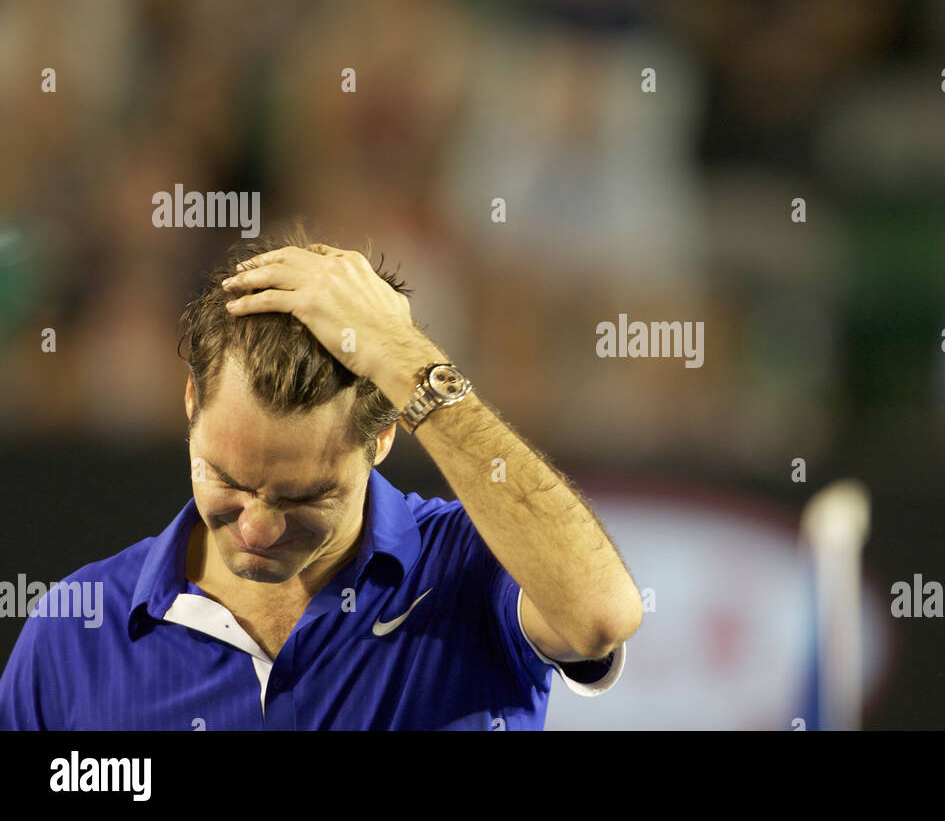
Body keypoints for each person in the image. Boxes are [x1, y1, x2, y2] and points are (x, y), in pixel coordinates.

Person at [0, 226, 642, 729]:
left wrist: (411, 361)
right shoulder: (73, 631)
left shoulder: (471, 569)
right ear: (191, 402)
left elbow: (599, 617)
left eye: (305, 496)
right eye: (226, 478)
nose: (256, 526)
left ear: (386, 434)